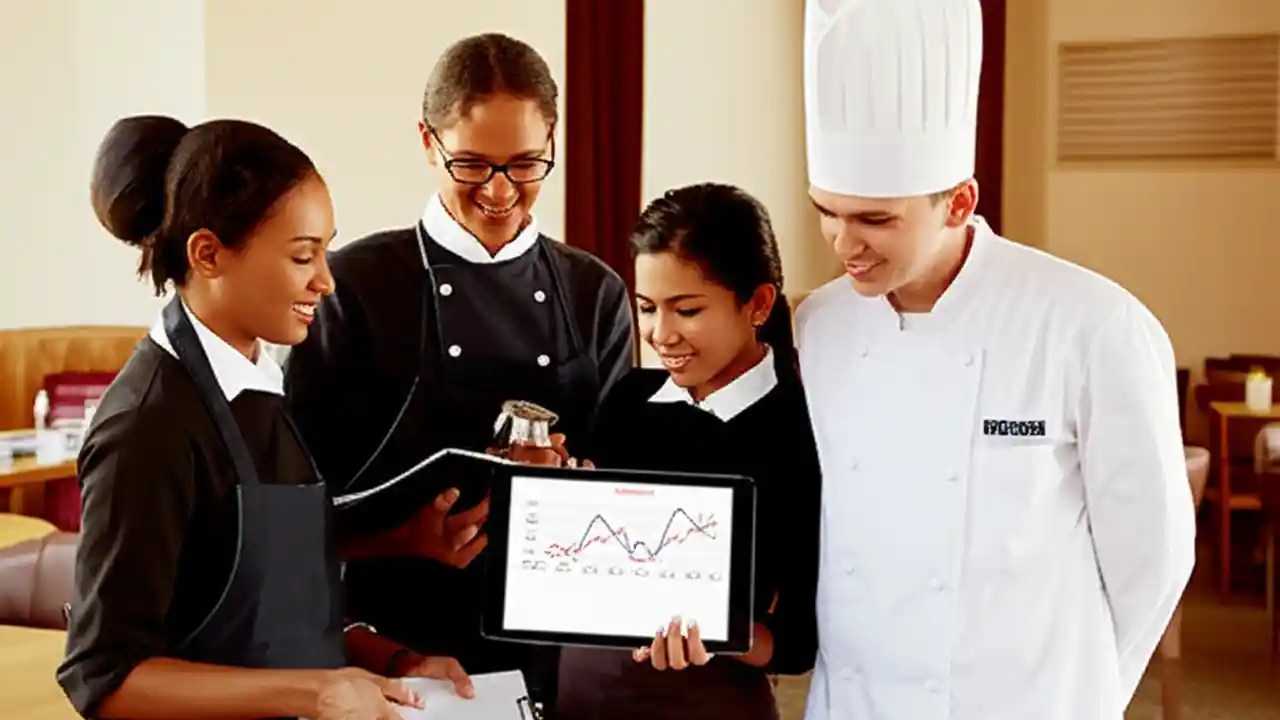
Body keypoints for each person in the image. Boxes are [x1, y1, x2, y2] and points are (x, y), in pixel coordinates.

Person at [795, 1, 1196, 718]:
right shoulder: (818, 328)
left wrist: (1080, 695)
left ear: (958, 202)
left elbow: (1153, 559)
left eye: (875, 219)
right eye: (827, 211)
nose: (843, 242)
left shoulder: (1093, 326)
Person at [57, 115, 470, 720]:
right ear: (208, 254)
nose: (326, 281)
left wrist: (395, 661)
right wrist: (316, 692)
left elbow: (269, 615)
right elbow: (106, 679)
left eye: (325, 251)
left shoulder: (259, 388)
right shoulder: (147, 429)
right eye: (303, 256)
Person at [283, 32, 634, 705]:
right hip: (392, 644)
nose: (500, 191)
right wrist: (402, 538)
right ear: (427, 142)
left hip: (558, 648)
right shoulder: (352, 286)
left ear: (553, 138)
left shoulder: (596, 292)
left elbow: (622, 486)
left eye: (526, 163)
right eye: (471, 164)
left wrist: (572, 477)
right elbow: (298, 504)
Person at [550, 183, 821, 720]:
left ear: (758, 303)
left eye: (688, 310)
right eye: (647, 309)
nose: (660, 334)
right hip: (583, 696)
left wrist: (718, 629)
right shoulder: (628, 400)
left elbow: (798, 641)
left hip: (709, 701)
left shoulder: (801, 428)